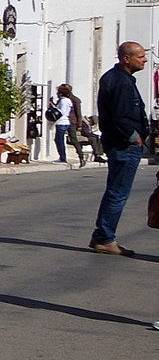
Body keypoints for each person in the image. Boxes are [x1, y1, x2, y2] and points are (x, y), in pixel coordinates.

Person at [91, 41, 150, 254]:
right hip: (124, 146)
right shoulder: (120, 82)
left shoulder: (119, 79)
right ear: (127, 58)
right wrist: (135, 138)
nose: (144, 60)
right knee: (118, 193)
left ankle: (102, 235)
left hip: (121, 145)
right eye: (140, 56)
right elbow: (121, 117)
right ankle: (105, 238)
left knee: (115, 191)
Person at [51, 82, 89, 167]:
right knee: (68, 139)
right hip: (67, 121)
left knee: (73, 140)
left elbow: (78, 113)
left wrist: (79, 125)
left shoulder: (74, 99)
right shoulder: (64, 100)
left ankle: (81, 157)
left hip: (71, 121)